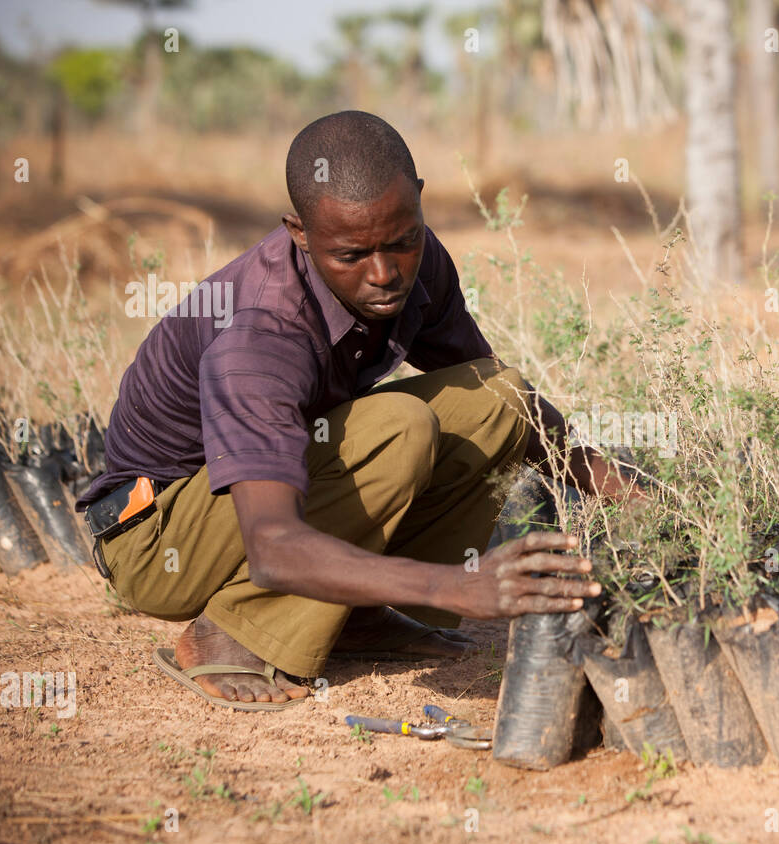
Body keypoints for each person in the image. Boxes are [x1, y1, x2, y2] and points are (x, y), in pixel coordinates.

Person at [76, 110, 639, 710]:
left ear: (418, 202)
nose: (385, 274)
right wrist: (452, 587)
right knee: (396, 430)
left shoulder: (416, 261)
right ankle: (233, 632)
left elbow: (499, 402)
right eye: (352, 254)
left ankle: (354, 617)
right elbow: (271, 542)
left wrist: (638, 495)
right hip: (158, 535)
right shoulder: (261, 332)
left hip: (249, 500)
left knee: (497, 397)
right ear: (299, 232)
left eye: (403, 241)